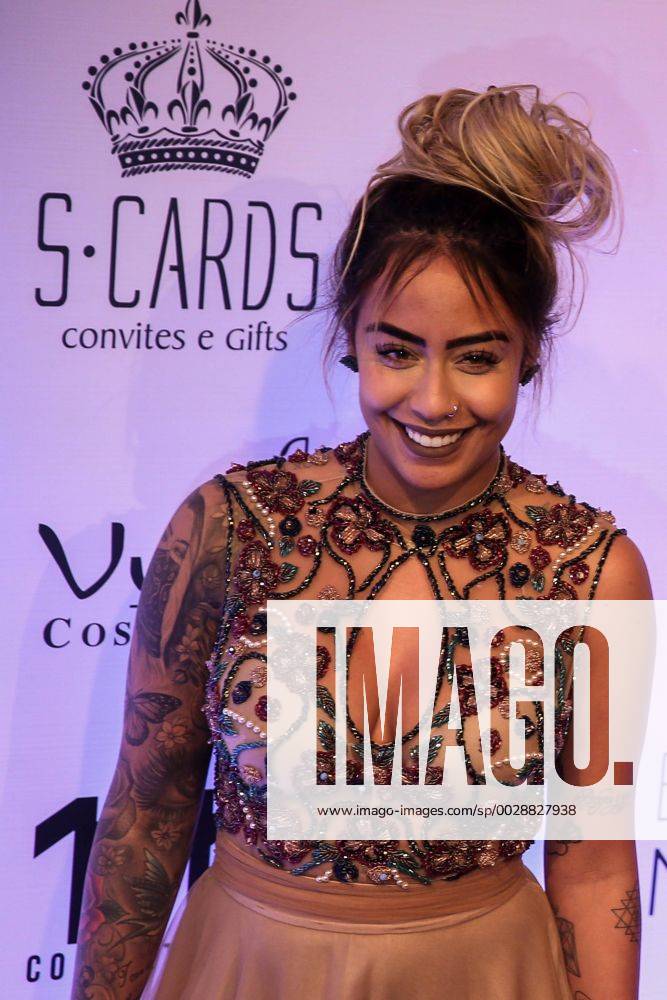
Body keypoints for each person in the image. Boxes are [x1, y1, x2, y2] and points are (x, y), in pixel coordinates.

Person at [72, 84, 651, 1000]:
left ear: (529, 352)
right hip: (247, 970)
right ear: (351, 336)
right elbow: (146, 814)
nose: (433, 401)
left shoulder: (587, 569)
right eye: (396, 350)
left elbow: (593, 867)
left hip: (483, 975)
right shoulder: (232, 528)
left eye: (476, 356)